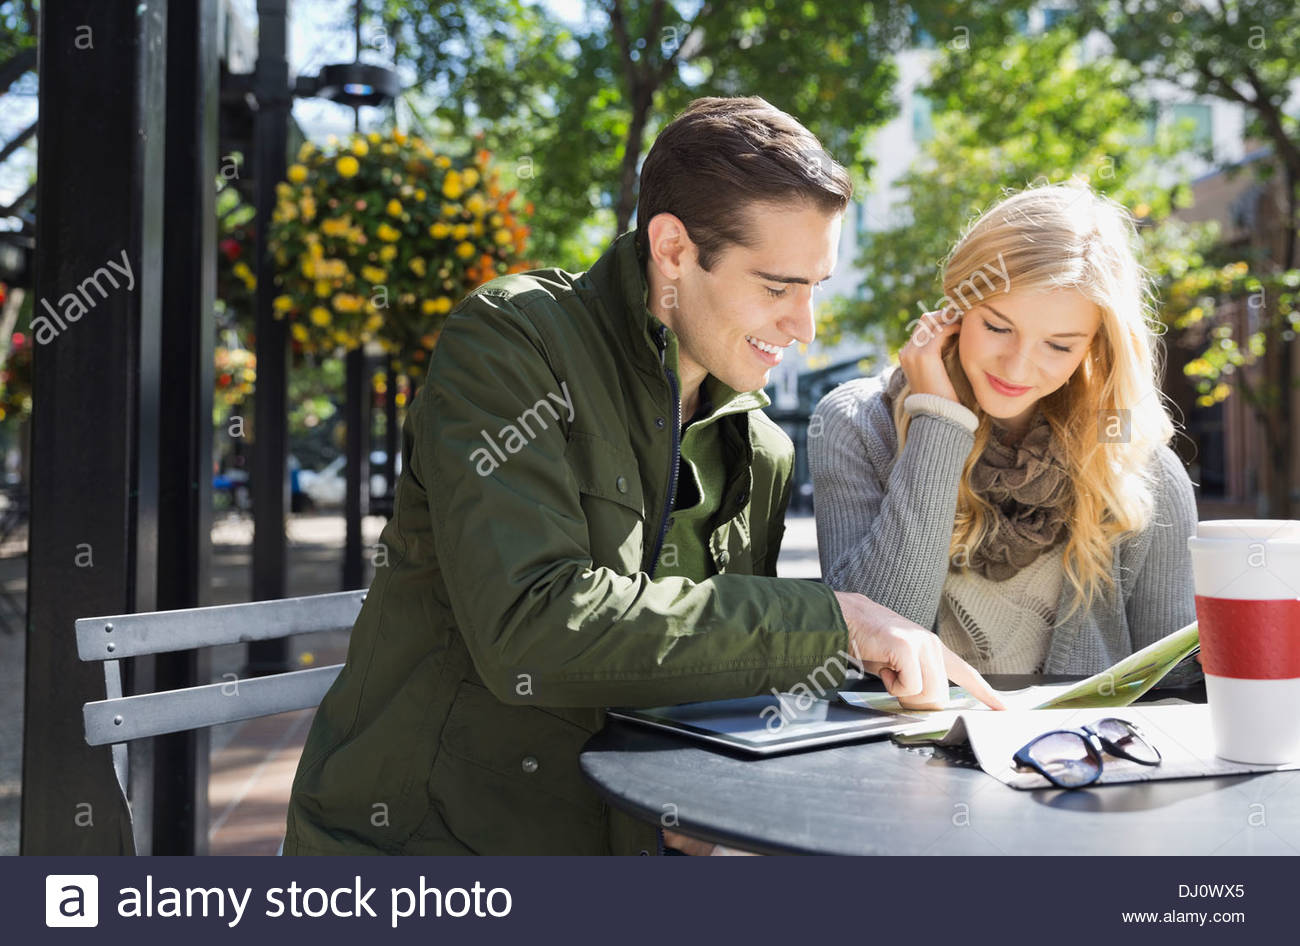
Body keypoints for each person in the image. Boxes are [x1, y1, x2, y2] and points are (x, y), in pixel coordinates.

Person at [284, 96, 1002, 858]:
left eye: (814, 288)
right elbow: (531, 627)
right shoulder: (511, 341)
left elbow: (723, 675)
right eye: (777, 287)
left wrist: (720, 787)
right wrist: (838, 622)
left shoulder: (760, 447)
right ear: (671, 249)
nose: (805, 326)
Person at [811, 183, 1198, 678]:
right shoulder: (854, 424)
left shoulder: (1133, 464)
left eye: (1058, 346)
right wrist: (938, 423)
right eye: (997, 327)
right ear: (955, 309)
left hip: (1081, 754)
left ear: (1094, 348)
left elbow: (1177, 685)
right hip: (900, 753)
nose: (1017, 367)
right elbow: (869, 652)